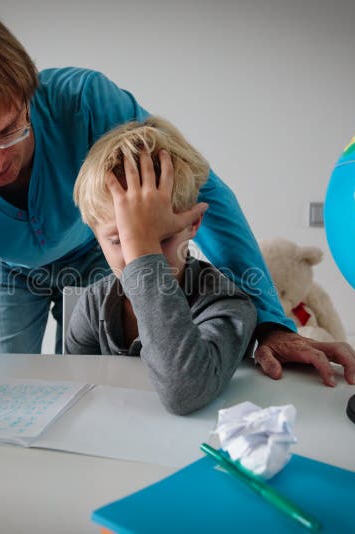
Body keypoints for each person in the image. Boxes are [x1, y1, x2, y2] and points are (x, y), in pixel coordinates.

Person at [0, 0, 355, 386]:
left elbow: (204, 196)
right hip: (5, 272)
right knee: (7, 382)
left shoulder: (84, 102)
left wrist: (269, 322)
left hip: (99, 253)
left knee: (113, 381)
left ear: (28, 92)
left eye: (7, 131)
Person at [66, 117, 257, 415]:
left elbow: (185, 394)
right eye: (120, 241)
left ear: (193, 223)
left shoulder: (225, 303)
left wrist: (145, 260)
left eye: (160, 239)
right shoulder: (93, 304)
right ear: (95, 235)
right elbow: (78, 398)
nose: (136, 256)